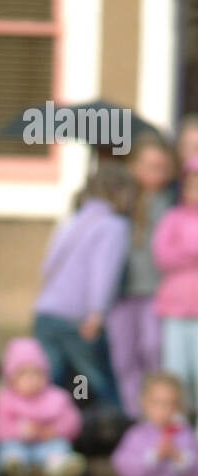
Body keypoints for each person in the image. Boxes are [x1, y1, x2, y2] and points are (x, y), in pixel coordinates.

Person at [33, 164, 134, 409]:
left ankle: (48, 432)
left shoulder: (73, 219)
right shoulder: (113, 225)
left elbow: (48, 263)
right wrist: (97, 312)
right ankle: (120, 434)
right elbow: (103, 272)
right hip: (78, 316)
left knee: (48, 382)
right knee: (99, 381)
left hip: (47, 310)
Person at [106, 133, 176, 419]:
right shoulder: (121, 202)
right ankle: (134, 416)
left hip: (156, 291)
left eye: (161, 168)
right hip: (122, 292)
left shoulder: (172, 202)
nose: (154, 174)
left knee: (152, 349)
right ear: (133, 166)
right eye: (148, 167)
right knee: (123, 356)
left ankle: (158, 413)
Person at [0, 337, 84, 476]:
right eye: (24, 374)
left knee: (59, 447)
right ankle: (13, 466)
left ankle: (61, 466)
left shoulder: (57, 397)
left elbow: (72, 421)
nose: (32, 379)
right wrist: (21, 430)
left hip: (47, 444)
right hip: (18, 444)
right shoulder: (5, 399)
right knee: (8, 449)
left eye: (37, 373)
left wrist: (55, 430)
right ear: (11, 378)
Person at [152, 155, 198, 415]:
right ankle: (176, 429)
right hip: (175, 309)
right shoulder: (173, 217)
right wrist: (192, 252)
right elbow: (162, 255)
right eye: (191, 185)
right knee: (176, 372)